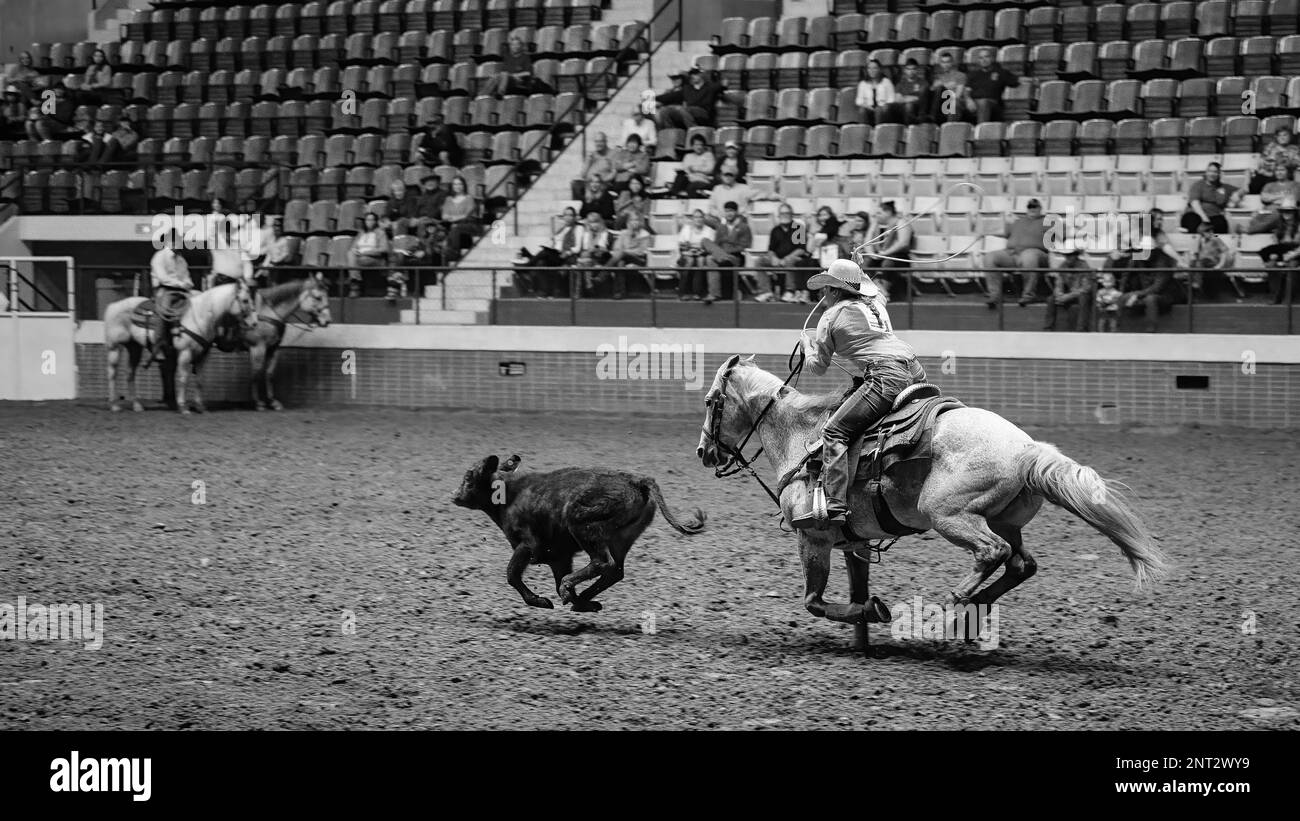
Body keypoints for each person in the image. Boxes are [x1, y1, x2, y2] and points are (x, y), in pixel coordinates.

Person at [795, 259, 927, 527]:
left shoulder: (829, 317)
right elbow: (877, 290)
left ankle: (835, 505)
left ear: (833, 290)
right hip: (913, 372)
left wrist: (807, 345)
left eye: (826, 289)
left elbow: (817, 367)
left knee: (834, 432)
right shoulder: (877, 302)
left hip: (883, 378)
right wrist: (860, 268)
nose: (823, 295)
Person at [1122, 211, 1186, 332]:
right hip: (1141, 272)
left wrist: (1180, 260)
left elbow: (1166, 247)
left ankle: (1150, 331)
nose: (1161, 222)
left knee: (1150, 297)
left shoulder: (1159, 241)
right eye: (1158, 219)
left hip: (1158, 284)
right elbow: (1126, 245)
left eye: (1162, 219)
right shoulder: (1138, 234)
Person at [983, 198, 1049, 307]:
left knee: (1029, 256)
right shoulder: (1018, 221)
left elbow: (1066, 232)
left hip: (1037, 254)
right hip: (1013, 254)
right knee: (990, 257)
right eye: (1030, 207)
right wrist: (985, 232)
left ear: (1040, 208)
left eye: (1035, 207)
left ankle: (1028, 295)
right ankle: (994, 295)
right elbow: (1003, 232)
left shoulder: (1047, 221)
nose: (1032, 209)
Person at [148, 234, 194, 362]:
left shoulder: (181, 260)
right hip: (164, 289)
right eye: (173, 240)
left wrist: (188, 283)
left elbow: (187, 276)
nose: (176, 243)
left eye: (178, 240)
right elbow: (163, 278)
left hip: (182, 290)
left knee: (198, 301)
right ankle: (157, 346)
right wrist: (180, 283)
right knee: (164, 310)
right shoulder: (159, 257)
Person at [700, 200, 752, 304]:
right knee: (704, 241)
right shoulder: (721, 227)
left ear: (736, 212)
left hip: (736, 257)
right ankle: (714, 294)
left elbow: (744, 246)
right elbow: (716, 245)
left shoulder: (744, 227)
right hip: (721, 255)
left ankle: (714, 293)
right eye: (727, 211)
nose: (729, 213)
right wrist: (719, 252)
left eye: (731, 211)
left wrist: (726, 251)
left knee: (710, 259)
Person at [654, 66, 736, 130]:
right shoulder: (687, 88)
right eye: (692, 74)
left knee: (684, 109)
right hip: (688, 112)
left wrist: (724, 84)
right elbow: (670, 96)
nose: (693, 76)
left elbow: (723, 85)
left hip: (704, 113)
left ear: (702, 74)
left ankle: (693, 130)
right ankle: (672, 132)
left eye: (696, 74)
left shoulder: (710, 86)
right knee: (664, 110)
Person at [759, 203, 809, 303]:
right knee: (760, 261)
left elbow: (801, 249)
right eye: (782, 213)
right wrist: (773, 258)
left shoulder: (798, 228)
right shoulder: (775, 230)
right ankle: (766, 292)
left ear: (791, 214)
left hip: (794, 258)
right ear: (778, 215)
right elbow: (771, 249)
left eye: (787, 213)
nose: (784, 215)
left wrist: (786, 259)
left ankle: (789, 290)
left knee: (789, 261)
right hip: (778, 259)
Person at [861, 201, 911, 300]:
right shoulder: (876, 223)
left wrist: (884, 254)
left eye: (879, 213)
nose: (876, 216)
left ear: (888, 212)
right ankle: (882, 291)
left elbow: (903, 243)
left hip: (899, 257)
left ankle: (883, 292)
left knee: (887, 263)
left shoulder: (901, 222)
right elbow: (867, 241)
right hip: (881, 255)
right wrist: (871, 254)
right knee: (864, 262)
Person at [1042, 243, 1095, 331]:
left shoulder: (1084, 266)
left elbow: (1086, 288)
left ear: (1076, 255)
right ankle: (1048, 327)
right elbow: (1059, 282)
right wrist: (1059, 293)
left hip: (1082, 294)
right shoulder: (1063, 266)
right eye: (1066, 255)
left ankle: (1081, 328)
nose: (1067, 257)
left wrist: (1068, 296)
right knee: (1051, 299)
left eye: (1070, 255)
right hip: (1069, 293)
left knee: (1083, 298)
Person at [1181, 162, 1241, 234]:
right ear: (1206, 172)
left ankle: (1213, 238)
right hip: (1196, 215)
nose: (1212, 174)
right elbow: (1195, 204)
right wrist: (1205, 220)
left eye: (1215, 172)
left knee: (1221, 225)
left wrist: (1237, 194)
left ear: (1219, 174)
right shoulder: (1198, 185)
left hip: (1214, 216)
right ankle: (1201, 235)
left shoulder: (1224, 187)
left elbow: (1243, 190)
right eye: (1210, 171)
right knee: (1192, 223)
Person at [1261, 199, 1300, 304]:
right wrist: (1276, 255)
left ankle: (1288, 299)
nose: (1286, 213)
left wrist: (1291, 255)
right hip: (1283, 253)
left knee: (1292, 265)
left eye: (1289, 211)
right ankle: (1275, 297)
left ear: (1295, 212)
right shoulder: (1279, 228)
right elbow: (1277, 245)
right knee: (1271, 264)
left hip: (1297, 254)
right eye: (1284, 211)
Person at [964, 47, 1018, 124]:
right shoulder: (973, 74)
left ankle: (981, 132)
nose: (984, 60)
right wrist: (968, 100)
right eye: (981, 58)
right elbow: (967, 90)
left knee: (983, 102)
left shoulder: (1001, 72)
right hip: (974, 103)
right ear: (978, 60)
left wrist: (1031, 80)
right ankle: (950, 131)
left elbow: (1017, 80)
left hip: (993, 104)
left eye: (986, 56)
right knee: (954, 103)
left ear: (992, 58)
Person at [606, 210, 651, 299]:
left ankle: (604, 272)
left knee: (622, 255)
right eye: (632, 220)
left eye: (637, 220)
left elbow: (641, 251)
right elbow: (616, 247)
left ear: (640, 222)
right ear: (628, 222)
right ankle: (620, 292)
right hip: (623, 258)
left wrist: (626, 251)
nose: (634, 222)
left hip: (639, 259)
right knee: (620, 263)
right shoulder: (624, 233)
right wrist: (625, 249)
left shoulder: (644, 234)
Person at [1188, 220, 1233, 301]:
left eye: (1210, 230)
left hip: (1213, 261)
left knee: (1200, 263)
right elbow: (1196, 253)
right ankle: (1192, 290)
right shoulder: (1201, 239)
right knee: (1193, 264)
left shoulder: (1215, 237)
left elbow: (1224, 252)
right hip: (1202, 262)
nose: (1209, 233)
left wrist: (1220, 265)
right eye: (1206, 231)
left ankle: (1196, 284)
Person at [348, 211, 391, 297]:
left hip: (375, 259)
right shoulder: (361, 233)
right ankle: (355, 283)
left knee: (356, 259)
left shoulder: (380, 233)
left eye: (372, 220)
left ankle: (355, 285)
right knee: (350, 253)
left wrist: (365, 252)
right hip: (360, 258)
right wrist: (355, 250)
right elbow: (353, 247)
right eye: (367, 220)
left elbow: (384, 249)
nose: (369, 222)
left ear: (375, 221)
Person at [676, 209, 715, 301]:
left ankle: (697, 292)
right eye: (696, 217)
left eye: (700, 217)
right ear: (692, 219)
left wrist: (701, 251)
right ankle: (682, 292)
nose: (698, 219)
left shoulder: (709, 230)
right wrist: (688, 250)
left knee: (700, 261)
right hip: (687, 253)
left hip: (703, 254)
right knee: (689, 261)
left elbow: (711, 247)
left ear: (704, 218)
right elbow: (681, 245)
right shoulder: (686, 229)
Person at [1248, 165, 1300, 233]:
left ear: (1288, 172)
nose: (1279, 172)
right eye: (1277, 170)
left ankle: (1250, 230)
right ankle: (1267, 228)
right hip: (1267, 211)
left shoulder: (1295, 185)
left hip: (1287, 211)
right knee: (1257, 213)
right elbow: (1264, 198)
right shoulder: (1269, 185)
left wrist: (1272, 197)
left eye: (1282, 170)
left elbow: (1292, 200)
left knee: (1279, 213)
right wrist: (1282, 196)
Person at [1249, 126, 1300, 195]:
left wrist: (1287, 161)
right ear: (1276, 137)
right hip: (1266, 173)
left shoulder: (1294, 149)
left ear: (1290, 137)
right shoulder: (1271, 146)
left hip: (1282, 175)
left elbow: (1297, 162)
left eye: (1285, 135)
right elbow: (1262, 160)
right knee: (1254, 186)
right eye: (1279, 135)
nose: (1282, 137)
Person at [440, 175, 479, 263]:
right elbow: (444, 216)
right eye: (455, 184)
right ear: (452, 186)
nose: (457, 186)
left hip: (469, 225)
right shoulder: (448, 199)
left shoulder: (469, 198)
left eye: (460, 184)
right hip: (452, 225)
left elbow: (468, 215)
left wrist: (453, 218)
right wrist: (454, 218)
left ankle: (454, 252)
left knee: (455, 227)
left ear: (464, 185)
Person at [575, 212, 614, 296]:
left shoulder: (607, 234)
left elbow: (610, 251)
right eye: (591, 222)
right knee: (584, 259)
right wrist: (590, 250)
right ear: (588, 224)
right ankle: (588, 285)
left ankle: (579, 290)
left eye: (596, 222)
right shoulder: (585, 234)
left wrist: (600, 250)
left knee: (582, 262)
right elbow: (583, 249)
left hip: (602, 258)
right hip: (588, 259)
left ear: (601, 222)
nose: (594, 225)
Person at [667, 133, 716, 198]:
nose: (699, 147)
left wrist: (695, 168)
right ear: (692, 146)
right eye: (696, 145)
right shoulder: (688, 156)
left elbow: (710, 169)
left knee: (692, 186)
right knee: (680, 177)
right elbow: (685, 169)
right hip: (689, 179)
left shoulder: (708, 155)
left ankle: (691, 203)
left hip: (702, 180)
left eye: (701, 145)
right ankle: (673, 197)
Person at [571, 132, 616, 200]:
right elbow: (583, 174)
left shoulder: (612, 153)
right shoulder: (592, 155)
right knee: (575, 184)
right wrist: (588, 160)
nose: (598, 144)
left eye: (600, 141)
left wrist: (603, 180)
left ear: (605, 142)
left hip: (602, 183)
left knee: (595, 187)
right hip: (589, 182)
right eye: (596, 142)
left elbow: (614, 172)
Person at [929, 50, 967, 124]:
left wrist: (943, 85)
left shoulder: (960, 75)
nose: (946, 64)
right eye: (943, 62)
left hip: (953, 101)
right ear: (940, 64)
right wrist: (948, 85)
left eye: (948, 62)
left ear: (952, 63)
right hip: (940, 103)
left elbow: (958, 95)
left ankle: (948, 126)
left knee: (953, 102)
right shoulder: (938, 77)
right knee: (939, 89)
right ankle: (931, 118)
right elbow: (932, 91)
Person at [855, 60, 895, 125]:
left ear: (879, 69)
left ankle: (878, 130)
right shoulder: (863, 83)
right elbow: (859, 101)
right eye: (869, 68)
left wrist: (884, 106)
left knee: (878, 110)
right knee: (862, 110)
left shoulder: (886, 82)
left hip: (883, 109)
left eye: (875, 68)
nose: (872, 70)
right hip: (868, 108)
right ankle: (863, 131)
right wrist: (867, 107)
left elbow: (891, 99)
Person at [891, 59, 930, 125]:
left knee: (909, 105)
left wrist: (905, 97)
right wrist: (913, 98)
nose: (911, 71)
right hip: (903, 110)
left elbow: (922, 99)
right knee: (906, 106)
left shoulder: (923, 82)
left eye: (913, 69)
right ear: (905, 70)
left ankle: (911, 126)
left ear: (917, 70)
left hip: (918, 109)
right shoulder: (900, 84)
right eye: (908, 69)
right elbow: (898, 99)